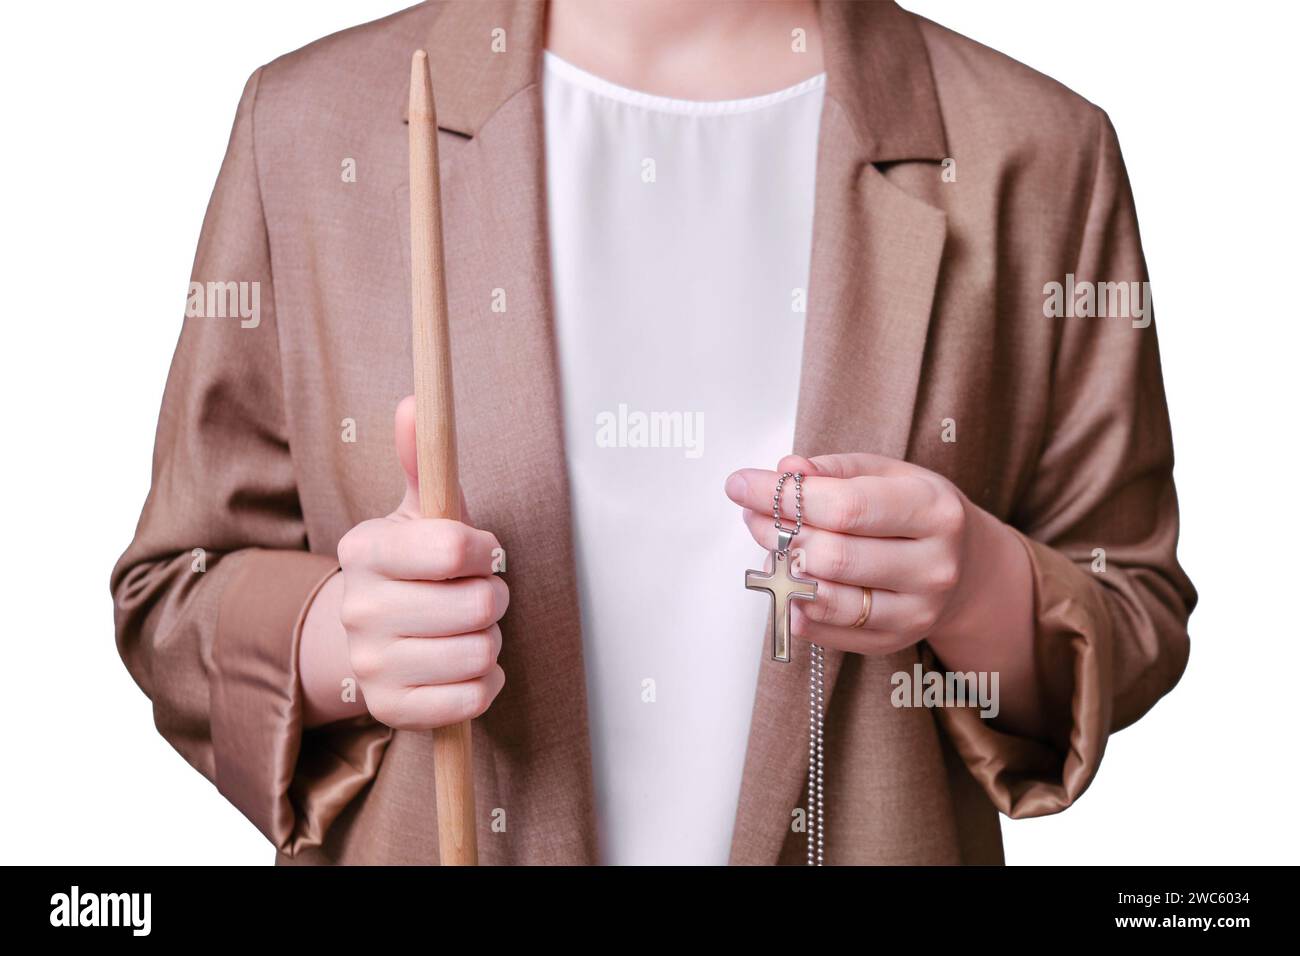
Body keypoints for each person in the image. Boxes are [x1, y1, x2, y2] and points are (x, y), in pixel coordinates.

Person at [112, 0, 1196, 865]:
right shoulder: (307, 125)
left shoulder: (1041, 150)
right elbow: (174, 590)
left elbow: (1132, 604)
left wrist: (974, 590)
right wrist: (339, 641)